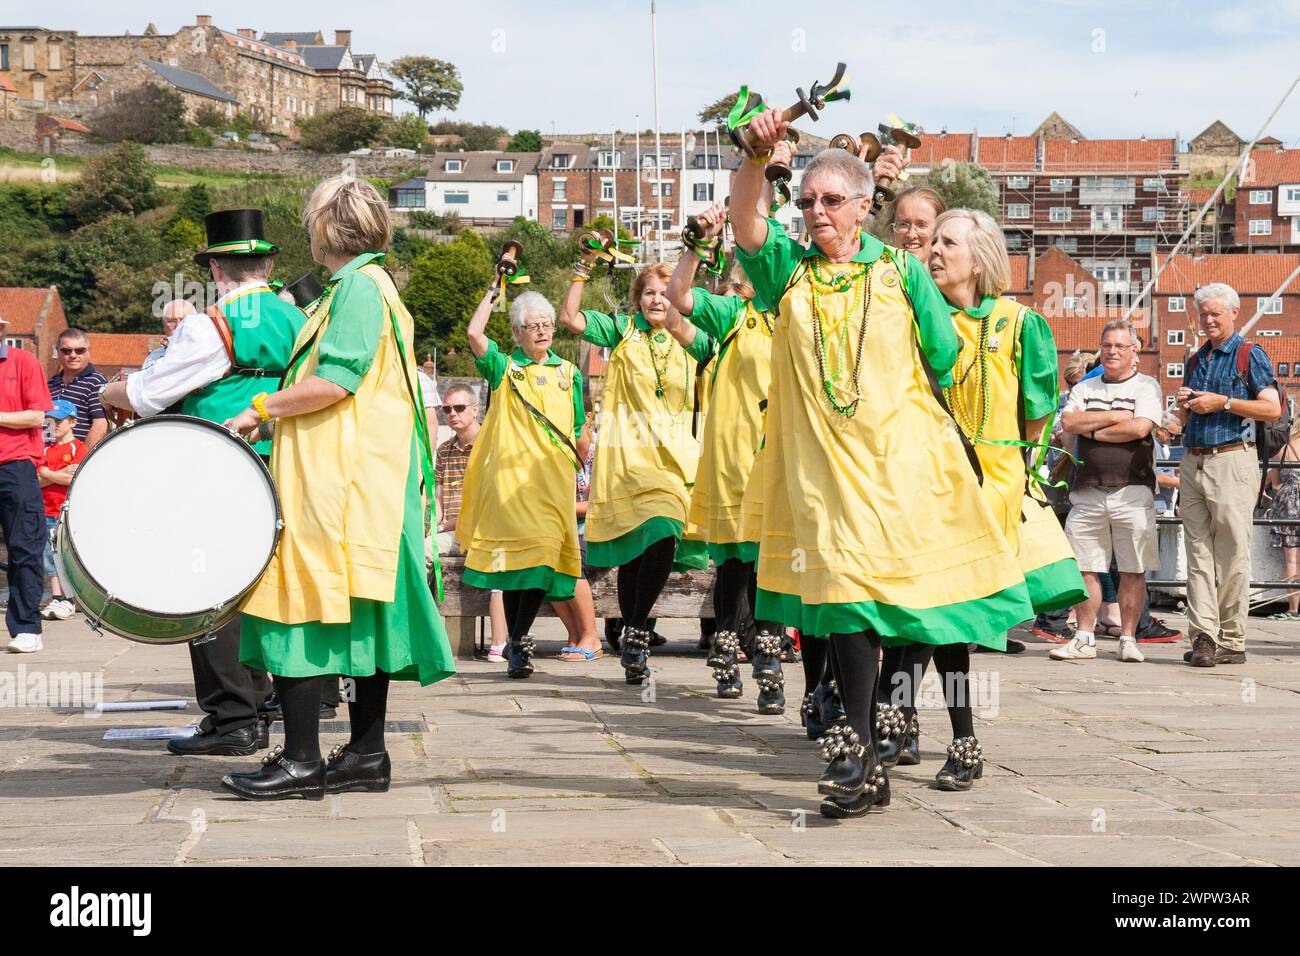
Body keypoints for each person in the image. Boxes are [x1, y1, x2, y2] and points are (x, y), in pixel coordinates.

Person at [730, 110, 1034, 819]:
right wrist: (753, 155)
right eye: (806, 201)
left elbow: (947, 357)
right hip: (821, 477)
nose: (816, 212)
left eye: (831, 200)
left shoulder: (899, 272)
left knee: (874, 607)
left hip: (899, 473)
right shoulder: (788, 272)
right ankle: (861, 752)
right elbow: (748, 225)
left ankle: (862, 751)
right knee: (841, 606)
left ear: (867, 207)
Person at [221, 176, 456, 799]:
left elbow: (337, 381)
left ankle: (301, 759)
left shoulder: (354, 286)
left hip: (335, 482)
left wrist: (260, 406)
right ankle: (365, 754)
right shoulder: (375, 285)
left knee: (296, 606)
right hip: (365, 482)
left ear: (329, 226)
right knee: (359, 616)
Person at [876, 208, 1085, 779]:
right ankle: (943, 737)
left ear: (980, 257)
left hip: (988, 487)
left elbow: (1039, 419)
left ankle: (900, 724)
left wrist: (1022, 481)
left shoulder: (1020, 324)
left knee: (938, 619)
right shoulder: (919, 318)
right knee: (930, 621)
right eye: (933, 241)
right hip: (925, 484)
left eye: (948, 242)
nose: (934, 250)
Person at [100, 207, 308, 756]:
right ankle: (269, 702)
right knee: (270, 583)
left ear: (216, 269)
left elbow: (147, 394)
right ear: (266, 264)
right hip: (289, 462)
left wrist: (108, 394)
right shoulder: (304, 319)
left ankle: (233, 719)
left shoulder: (209, 323)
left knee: (210, 588)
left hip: (222, 465)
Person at [559, 260, 715, 684]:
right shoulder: (622, 330)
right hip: (628, 460)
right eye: (649, 292)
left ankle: (636, 627)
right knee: (631, 554)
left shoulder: (692, 337)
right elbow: (570, 319)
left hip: (675, 461)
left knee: (664, 531)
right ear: (638, 299)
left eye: (665, 292)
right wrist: (581, 271)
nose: (657, 299)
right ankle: (633, 637)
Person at [666, 199, 786, 712]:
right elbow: (679, 298)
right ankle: (728, 652)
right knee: (736, 563)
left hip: (780, 455)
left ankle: (770, 659)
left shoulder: (797, 311)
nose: (741, 285)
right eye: (739, 277)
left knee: (773, 564)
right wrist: (698, 246)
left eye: (746, 279)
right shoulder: (734, 315)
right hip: (735, 458)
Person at [457, 287, 585, 679]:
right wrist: (493, 290)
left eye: (547, 325)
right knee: (516, 565)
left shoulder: (569, 372)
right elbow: (475, 335)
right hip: (511, 487)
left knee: (543, 559)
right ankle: (517, 644)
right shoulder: (504, 368)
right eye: (533, 326)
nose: (543, 332)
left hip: (552, 486)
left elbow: (579, 429)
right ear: (517, 332)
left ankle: (518, 639)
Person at [1177, 283, 1281, 666]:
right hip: (1194, 459)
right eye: (1203, 314)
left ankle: (1232, 640)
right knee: (1198, 555)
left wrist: (1221, 402)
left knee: (1233, 553)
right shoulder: (1195, 359)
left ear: (1234, 313)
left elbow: (1271, 409)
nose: (1208, 321)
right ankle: (1204, 638)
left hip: (1232, 460)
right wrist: (1184, 410)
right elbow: (1190, 415)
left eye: (1215, 314)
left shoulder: (1248, 354)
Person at [1052, 319, 1163, 664]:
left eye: (1119, 346)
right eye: (1107, 345)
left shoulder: (1147, 386)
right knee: (1085, 566)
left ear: (1134, 353)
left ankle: (1128, 637)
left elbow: (1141, 427)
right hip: (1086, 487)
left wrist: (1094, 429)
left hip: (1132, 488)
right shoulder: (1085, 387)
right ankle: (1084, 636)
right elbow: (1070, 423)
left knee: (1133, 568)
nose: (1111, 352)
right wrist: (1118, 415)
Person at [430, 383, 510, 663]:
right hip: (453, 532)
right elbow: (438, 501)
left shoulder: (493, 445)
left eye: (459, 408)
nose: (452, 414)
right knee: (418, 552)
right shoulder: (444, 451)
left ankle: (501, 642)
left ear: (475, 409)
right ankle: (423, 632)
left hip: (485, 528)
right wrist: (435, 523)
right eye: (447, 409)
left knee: (498, 563)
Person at [0, 334, 53, 653]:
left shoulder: (23, 362)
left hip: (14, 465)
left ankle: (27, 628)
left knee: (23, 546)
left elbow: (36, 416)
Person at [555, 406, 602, 661]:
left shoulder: (602, 454)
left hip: (598, 531)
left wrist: (564, 507)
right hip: (566, 529)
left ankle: (591, 637)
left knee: (571, 560)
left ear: (587, 420)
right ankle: (574, 634)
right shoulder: (559, 452)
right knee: (544, 559)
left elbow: (602, 504)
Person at [37, 400, 85, 622]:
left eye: (58, 421)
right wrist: (52, 472)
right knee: (49, 554)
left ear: (72, 422)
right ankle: (59, 596)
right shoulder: (44, 449)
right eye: (49, 421)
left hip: (67, 511)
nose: (52, 425)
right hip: (46, 510)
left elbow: (73, 479)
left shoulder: (78, 448)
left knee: (68, 554)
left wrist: (47, 472)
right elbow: (36, 481)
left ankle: (70, 596)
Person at [47, 328, 108, 448]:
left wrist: (82, 460)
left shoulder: (96, 381)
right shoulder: (51, 384)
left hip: (78, 460)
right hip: (50, 460)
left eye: (79, 350)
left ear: (89, 351)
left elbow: (100, 425)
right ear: (57, 352)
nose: (73, 355)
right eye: (66, 351)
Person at [1267, 417, 1300, 620]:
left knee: (1292, 560)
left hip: (1288, 504)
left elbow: (1275, 483)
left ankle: (1293, 608)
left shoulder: (1286, 449)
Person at [143, 298, 194, 369]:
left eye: (184, 320)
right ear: (164, 323)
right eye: (171, 320)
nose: (178, 325)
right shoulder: (153, 357)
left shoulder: (205, 355)